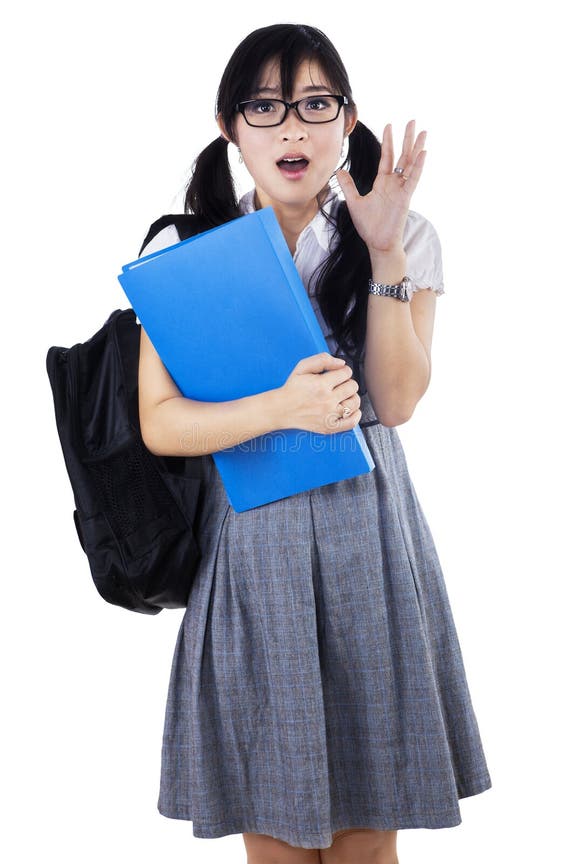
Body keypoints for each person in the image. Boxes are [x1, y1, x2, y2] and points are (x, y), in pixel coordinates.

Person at [136, 22, 492, 864]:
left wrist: (381, 251)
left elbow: (398, 401)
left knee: (368, 841)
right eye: (264, 107)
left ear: (348, 118)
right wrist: (281, 408)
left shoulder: (403, 235)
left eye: (313, 104)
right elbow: (161, 420)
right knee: (277, 836)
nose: (291, 128)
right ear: (230, 127)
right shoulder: (185, 249)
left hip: (368, 535)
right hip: (251, 547)